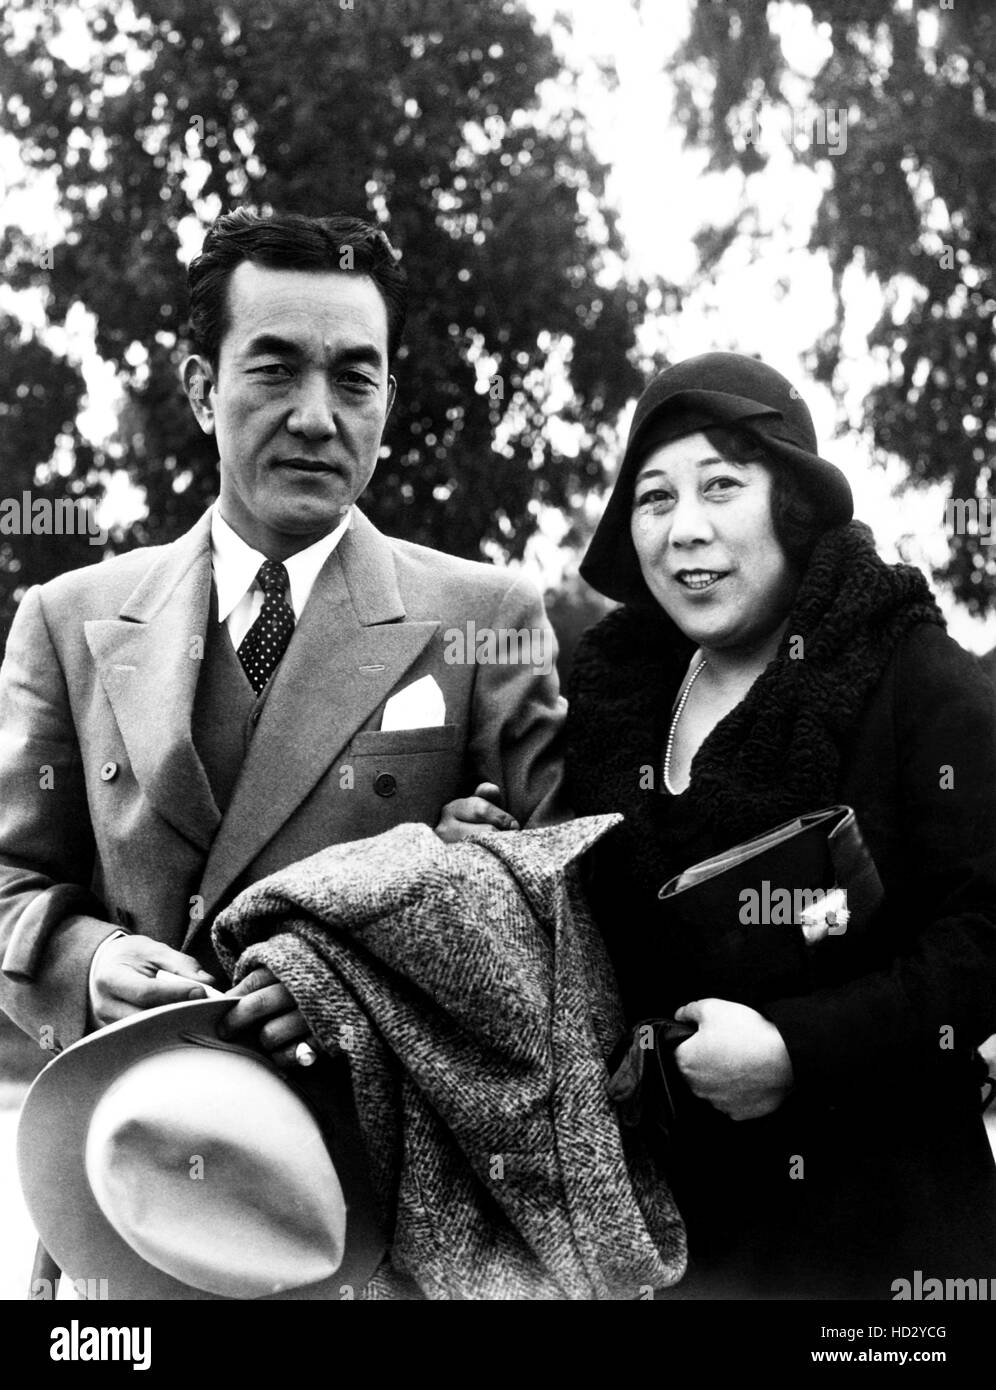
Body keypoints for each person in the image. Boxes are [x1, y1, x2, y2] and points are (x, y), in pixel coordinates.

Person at [0, 208, 565, 1070]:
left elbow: (556, 911)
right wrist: (92, 964)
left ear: (388, 402)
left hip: (373, 1174)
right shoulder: (68, 621)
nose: (315, 417)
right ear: (199, 390)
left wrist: (431, 900)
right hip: (133, 1149)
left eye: (353, 379)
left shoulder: (486, 620)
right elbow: (9, 881)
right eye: (275, 370)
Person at [557, 352, 996, 1299]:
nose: (687, 530)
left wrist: (800, 1051)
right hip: (673, 1247)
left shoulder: (916, 681)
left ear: (792, 503)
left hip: (882, 1249)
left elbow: (987, 940)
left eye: (722, 485)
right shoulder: (612, 701)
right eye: (654, 498)